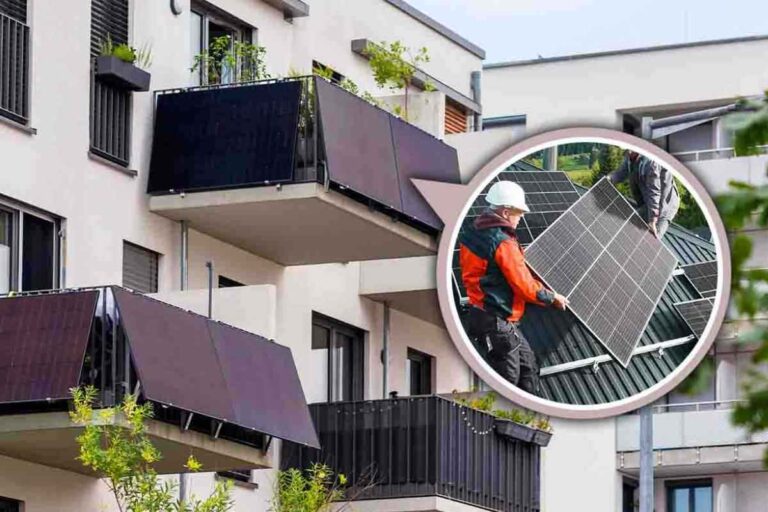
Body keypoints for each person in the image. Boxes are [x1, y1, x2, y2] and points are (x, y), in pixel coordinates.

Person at [459, 181, 568, 394]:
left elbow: (491, 265)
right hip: (494, 319)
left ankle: (529, 410)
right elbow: (525, 287)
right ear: (506, 212)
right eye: (519, 213)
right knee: (509, 379)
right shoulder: (503, 242)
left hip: (493, 317)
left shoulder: (474, 230)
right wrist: (553, 297)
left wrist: (516, 256)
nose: (522, 218)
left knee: (528, 370)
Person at [610, 150, 679, 238]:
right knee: (631, 224)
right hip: (648, 203)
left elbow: (654, 192)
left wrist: (652, 221)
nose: (628, 153)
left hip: (664, 205)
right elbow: (623, 171)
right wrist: (611, 178)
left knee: (653, 236)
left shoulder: (651, 162)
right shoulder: (631, 156)